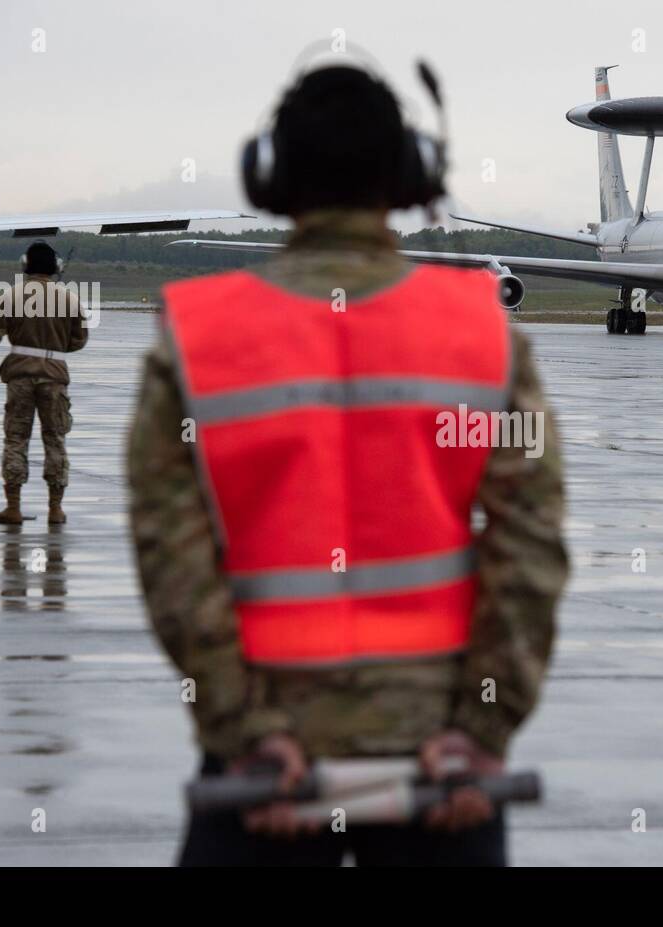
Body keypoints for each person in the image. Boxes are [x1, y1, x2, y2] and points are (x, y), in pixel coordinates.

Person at [127, 58, 568, 866]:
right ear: (409, 176)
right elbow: (530, 550)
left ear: (271, 178)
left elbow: (172, 562)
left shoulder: (197, 340)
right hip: (442, 765)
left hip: (266, 771)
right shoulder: (484, 337)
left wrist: (248, 735)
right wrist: (481, 730)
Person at [0, 241, 88, 525]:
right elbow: (79, 340)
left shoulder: (11, 297)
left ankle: (13, 507)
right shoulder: (69, 299)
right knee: (55, 440)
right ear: (55, 267)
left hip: (20, 376)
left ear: (25, 265)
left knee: (16, 438)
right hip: (54, 378)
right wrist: (55, 349)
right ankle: (55, 509)